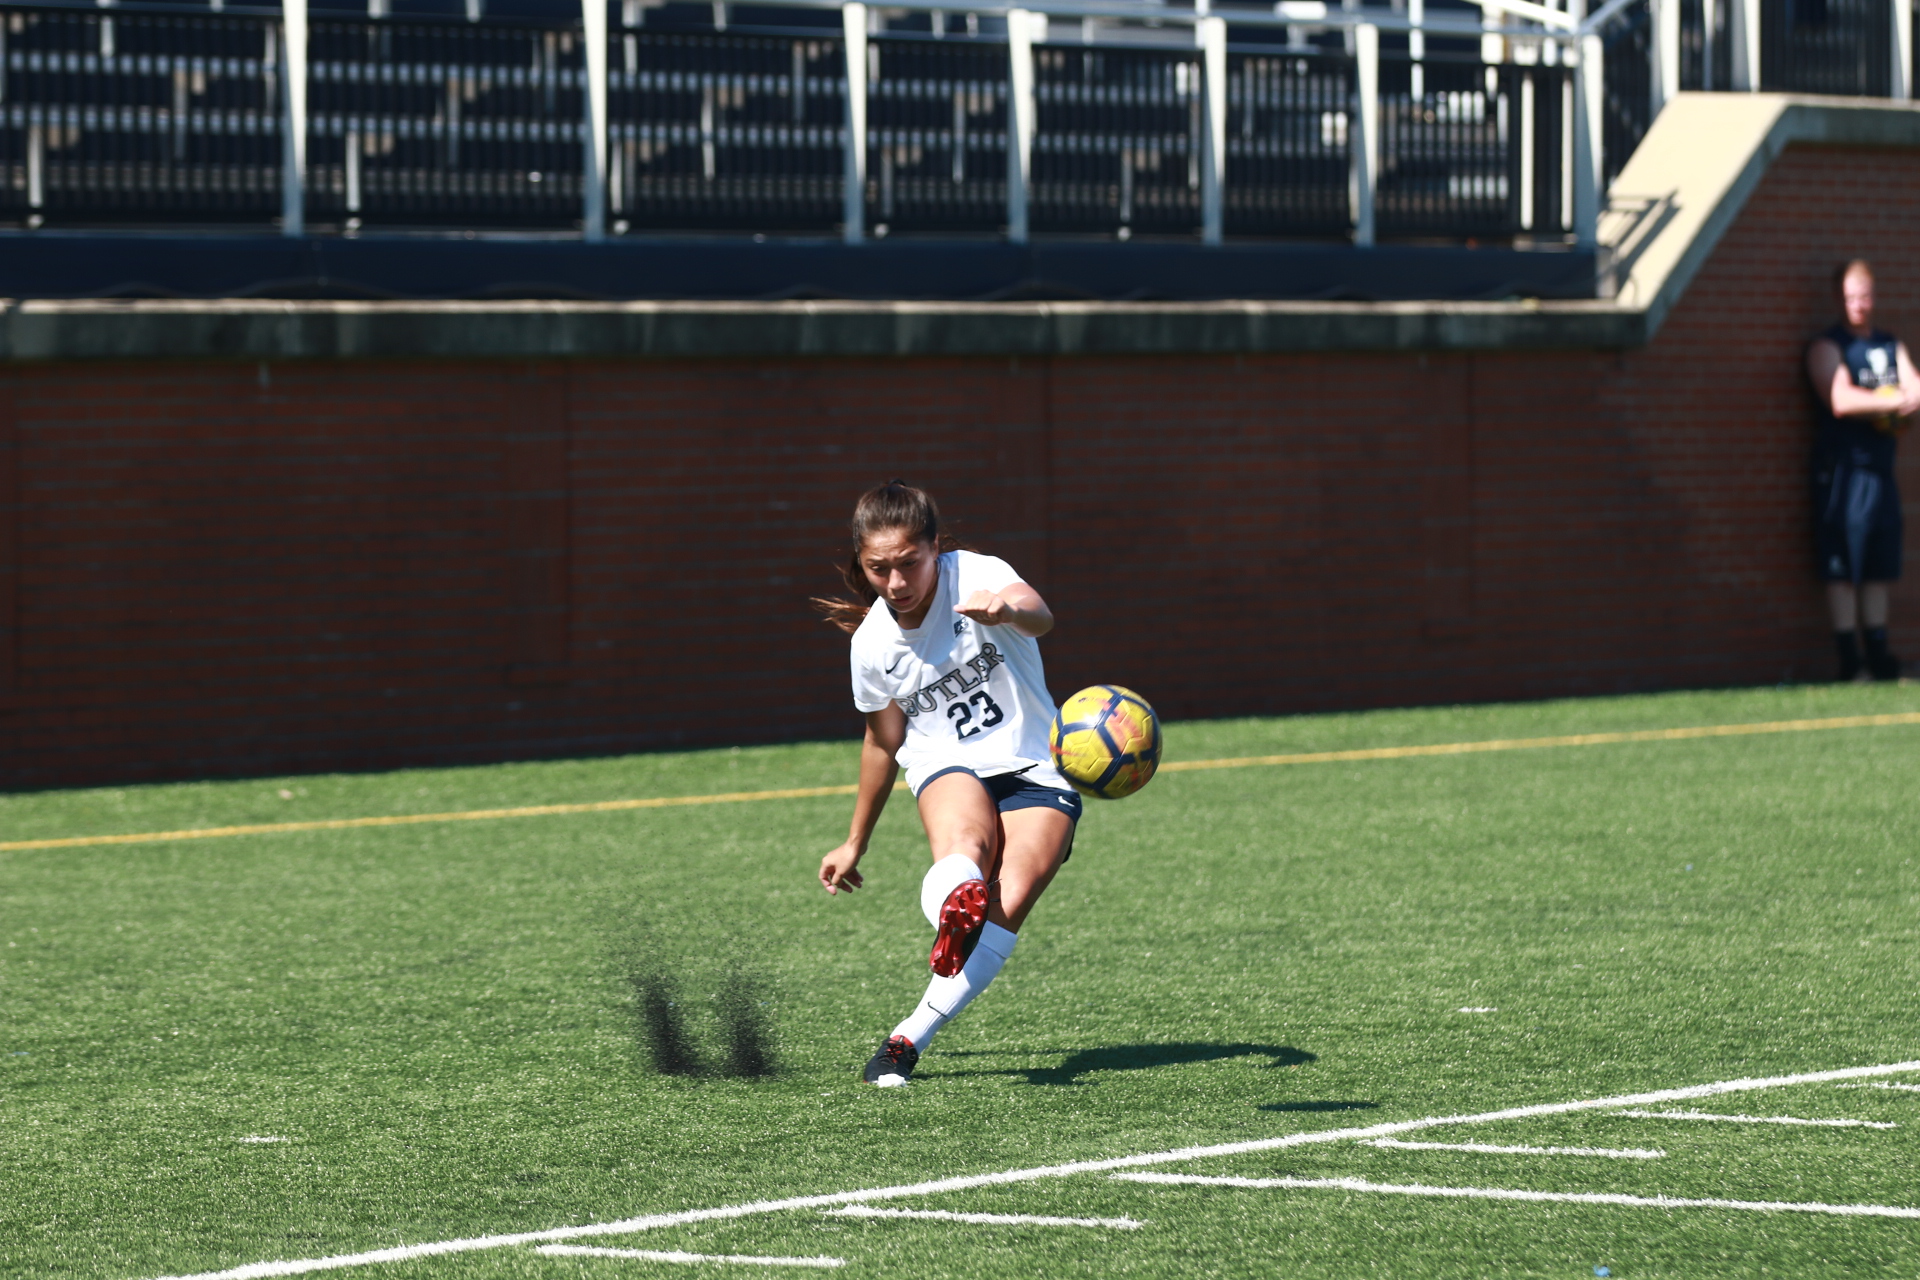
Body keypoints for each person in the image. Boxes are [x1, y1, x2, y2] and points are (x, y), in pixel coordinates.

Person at [813, 482, 1081, 1087]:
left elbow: (1041, 615)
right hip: (946, 761)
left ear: (936, 548)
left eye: (910, 564)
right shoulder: (872, 647)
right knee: (966, 843)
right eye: (879, 569)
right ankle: (954, 906)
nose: (897, 582)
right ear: (861, 563)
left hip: (1035, 765)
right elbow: (884, 741)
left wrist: (1008, 611)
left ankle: (908, 1037)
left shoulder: (978, 574)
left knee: (1004, 905)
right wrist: (855, 840)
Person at [1806, 259, 1920, 681]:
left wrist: (1896, 400)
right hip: (1843, 475)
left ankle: (1879, 656)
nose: (1860, 304)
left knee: (1878, 567)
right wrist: (1890, 401)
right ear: (1839, 298)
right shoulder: (1828, 346)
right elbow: (1841, 399)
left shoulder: (1891, 344)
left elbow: (1915, 386)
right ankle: (1849, 661)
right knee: (1842, 569)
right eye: (1852, 297)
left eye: (1865, 296)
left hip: (1880, 473)